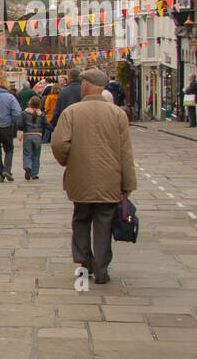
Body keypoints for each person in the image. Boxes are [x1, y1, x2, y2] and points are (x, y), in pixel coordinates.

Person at [51, 69, 136, 285]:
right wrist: (128, 182)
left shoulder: (72, 112)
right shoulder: (118, 114)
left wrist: (68, 161)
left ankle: (84, 262)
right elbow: (126, 152)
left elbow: (59, 144)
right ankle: (101, 268)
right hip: (110, 179)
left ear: (87, 86)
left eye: (82, 84)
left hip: (79, 178)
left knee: (81, 218)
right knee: (104, 223)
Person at [19, 95, 48, 180]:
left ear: (29, 103)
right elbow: (46, 125)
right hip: (38, 136)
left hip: (27, 135)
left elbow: (20, 125)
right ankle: (34, 174)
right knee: (36, 155)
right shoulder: (42, 114)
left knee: (27, 153)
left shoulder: (24, 113)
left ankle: (28, 165)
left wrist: (23, 128)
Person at [50, 68, 83, 132]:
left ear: (69, 78)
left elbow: (57, 110)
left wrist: (52, 124)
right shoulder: (84, 89)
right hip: (82, 124)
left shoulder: (63, 91)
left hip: (67, 123)